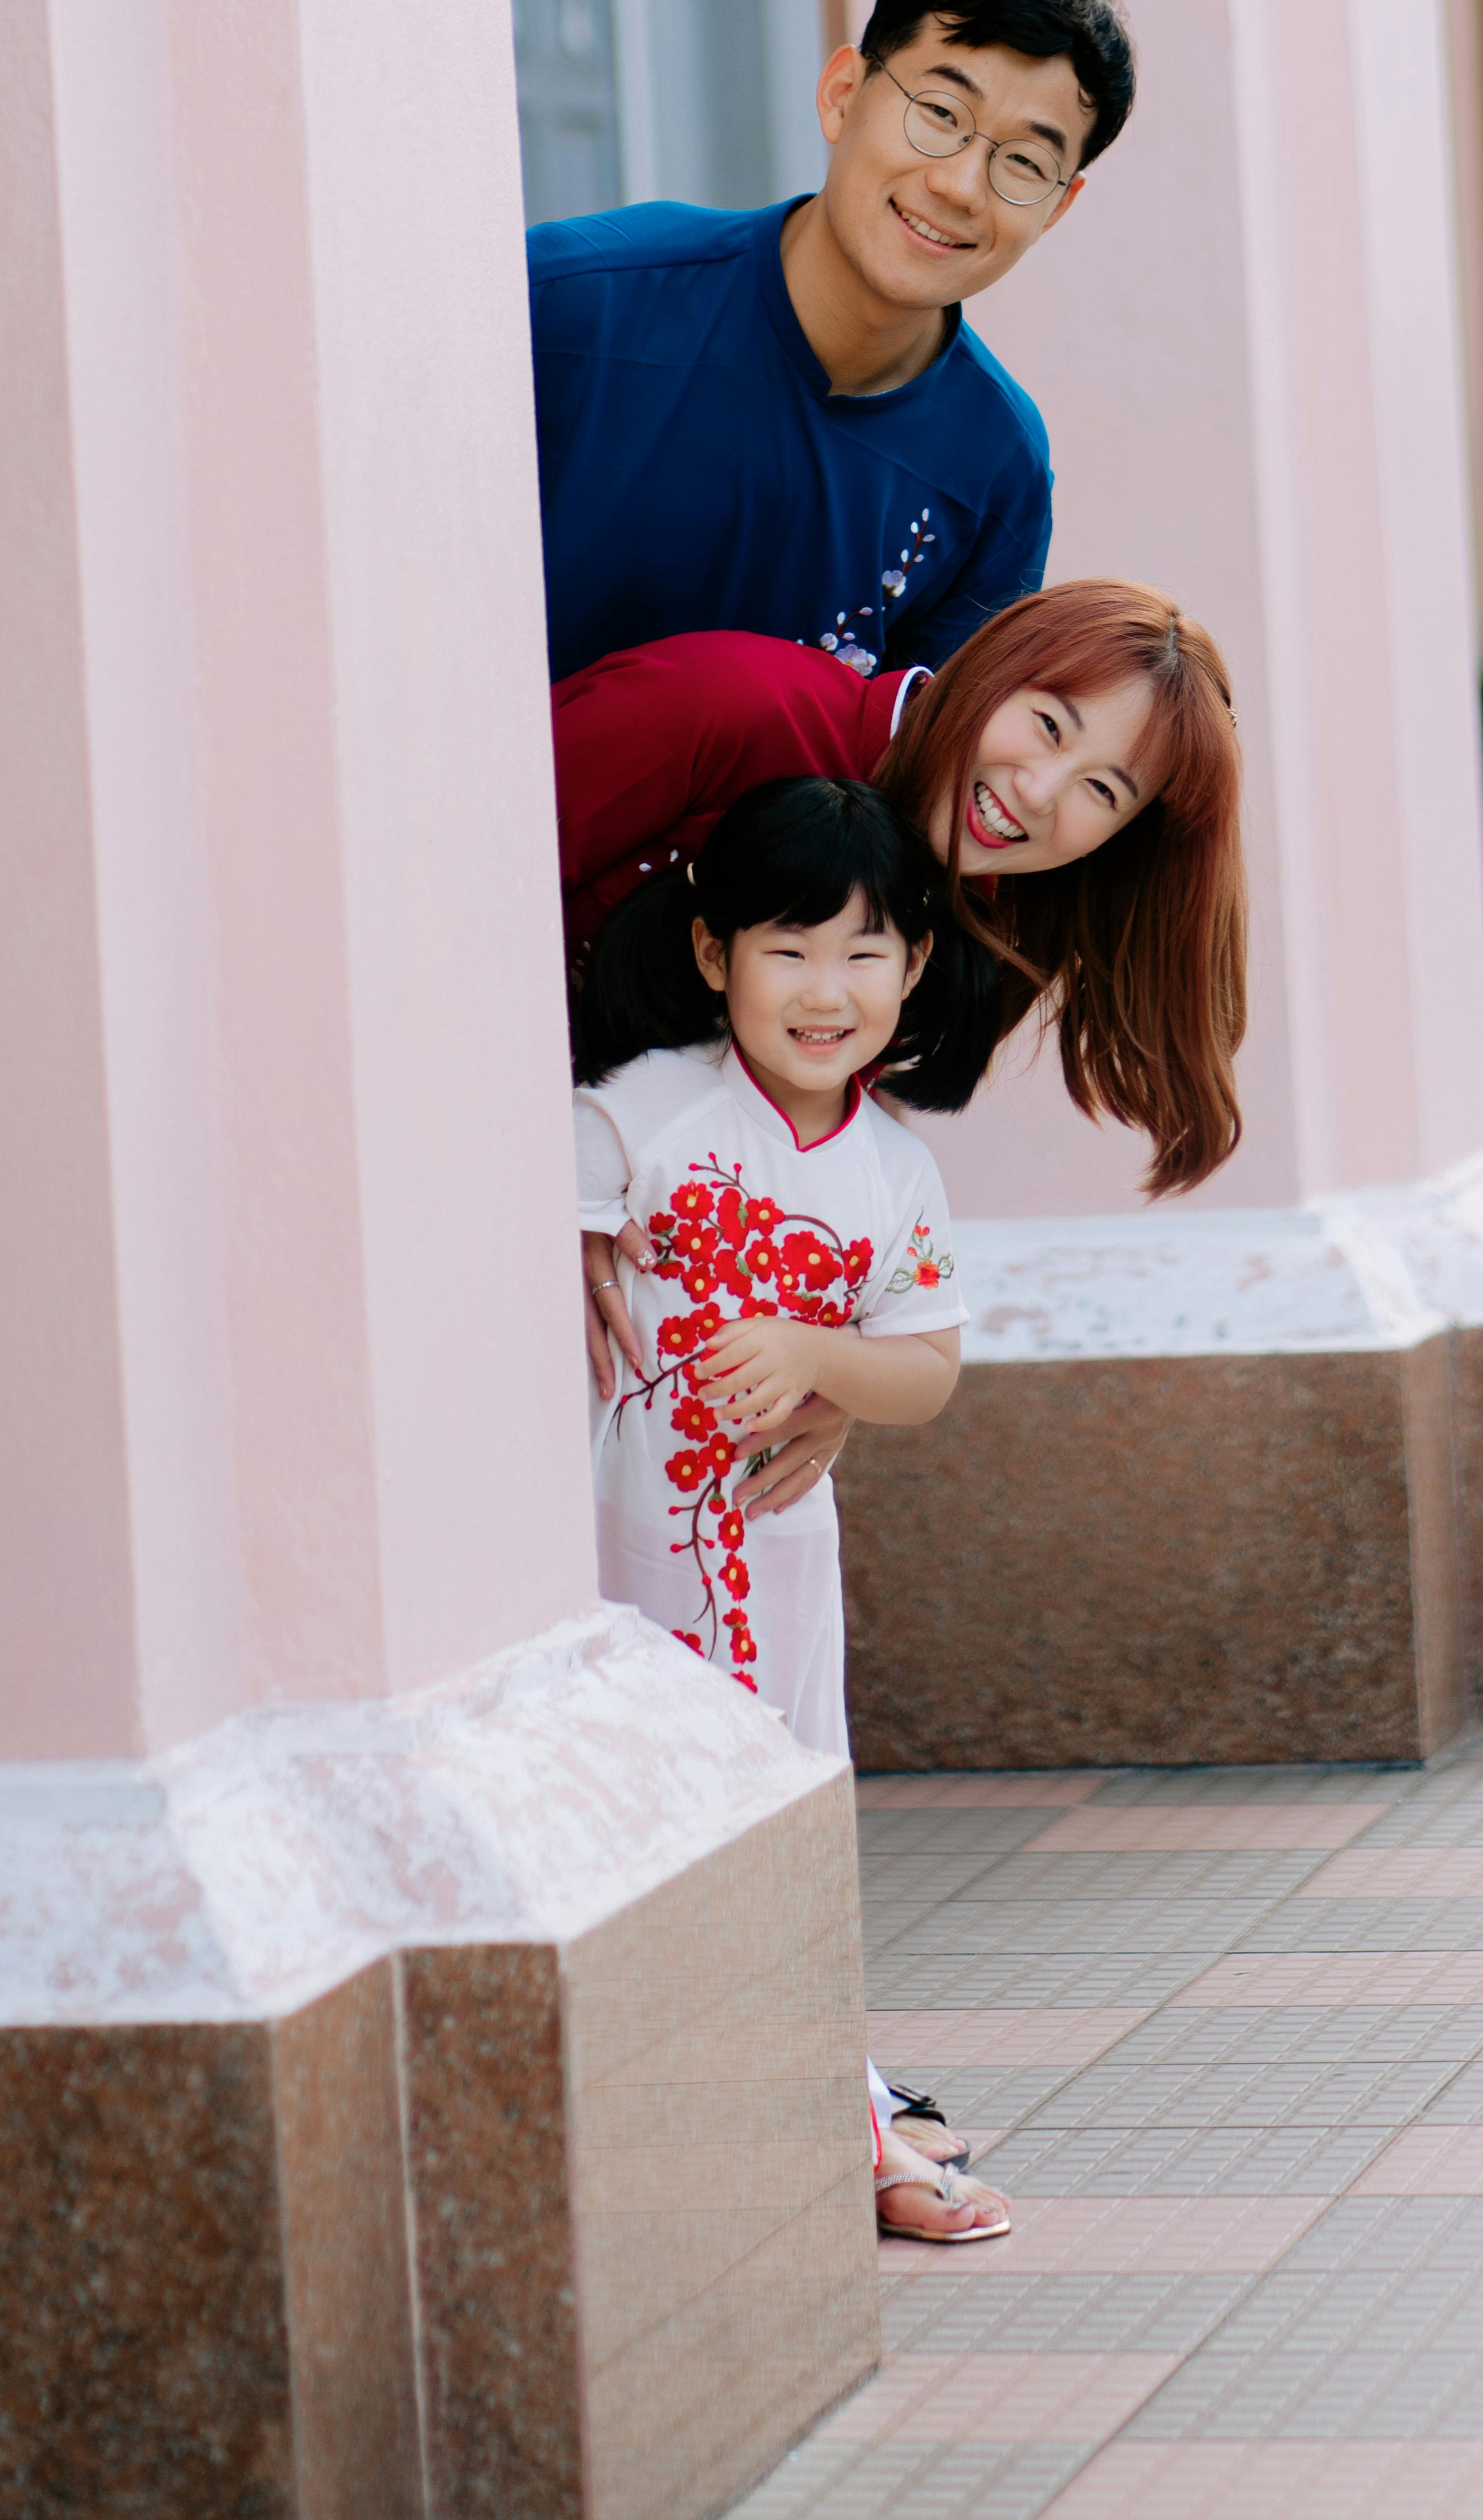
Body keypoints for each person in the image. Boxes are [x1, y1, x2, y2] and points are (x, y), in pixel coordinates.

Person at [576, 772, 1008, 2246]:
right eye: (788, 948)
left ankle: (839, 2112)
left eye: (866, 953)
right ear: (713, 958)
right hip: (611, 1562)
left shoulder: (898, 1171)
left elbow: (929, 1371)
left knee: (793, 1811)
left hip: (780, 1559)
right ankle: (746, 2123)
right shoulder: (640, 1115)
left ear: (918, 970)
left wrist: (821, 1359)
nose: (828, 990)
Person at [559, 582, 1247, 1415]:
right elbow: (435, 887)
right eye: (1048, 725)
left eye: (1103, 791)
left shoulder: (972, 928)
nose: (1038, 790)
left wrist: (833, 1380)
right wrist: (559, 1186)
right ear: (993, 665)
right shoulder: (732, 705)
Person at [527, 0, 1135, 685]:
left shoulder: (996, 469)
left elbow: (917, 777)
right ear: (843, 95)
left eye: (1023, 162)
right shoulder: (574, 302)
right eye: (940, 113)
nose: (958, 187)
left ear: (1057, 208)